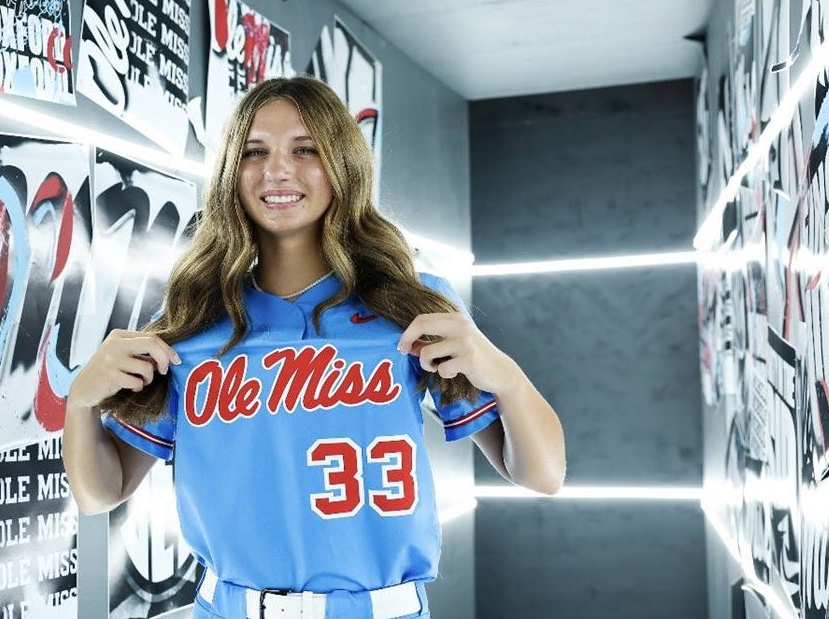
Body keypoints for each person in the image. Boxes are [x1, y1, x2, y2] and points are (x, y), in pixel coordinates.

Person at [63, 75, 565, 619]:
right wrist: (80, 402)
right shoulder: (193, 318)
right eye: (255, 152)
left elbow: (541, 474)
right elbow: (101, 492)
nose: (277, 170)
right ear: (232, 172)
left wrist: (507, 376)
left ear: (342, 165)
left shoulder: (410, 305)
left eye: (305, 149)